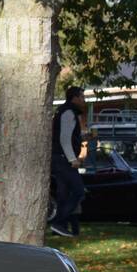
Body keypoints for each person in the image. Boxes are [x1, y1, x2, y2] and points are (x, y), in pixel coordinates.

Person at [50, 85, 87, 237]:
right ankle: (58, 222)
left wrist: (84, 137)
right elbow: (64, 138)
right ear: (75, 98)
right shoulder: (68, 113)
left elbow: (68, 137)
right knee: (79, 191)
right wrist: (73, 159)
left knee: (63, 194)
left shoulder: (63, 111)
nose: (84, 101)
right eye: (82, 97)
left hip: (58, 157)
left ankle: (61, 228)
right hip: (64, 159)